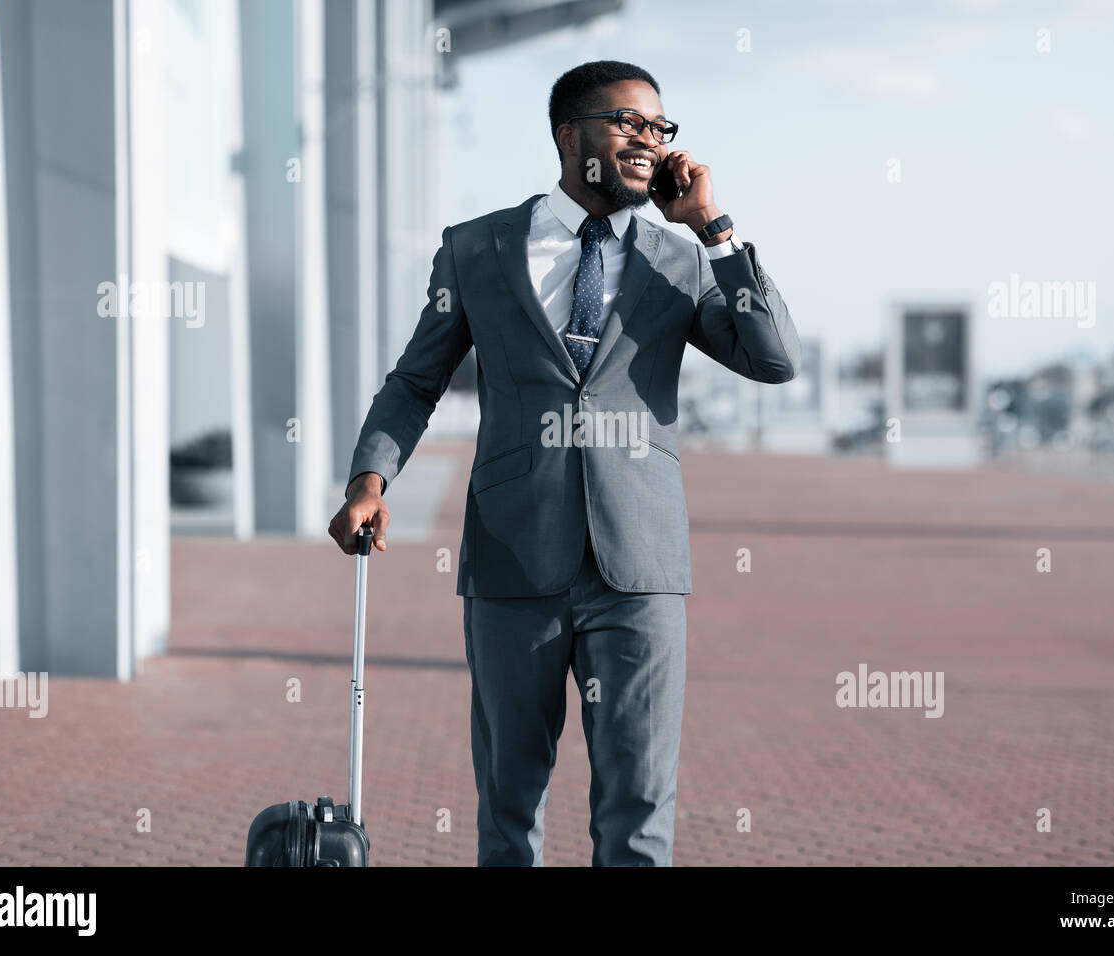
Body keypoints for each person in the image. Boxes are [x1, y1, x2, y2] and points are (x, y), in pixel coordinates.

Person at [328, 60, 800, 866]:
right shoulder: (477, 248)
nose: (649, 142)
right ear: (568, 134)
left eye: (660, 129)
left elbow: (774, 360)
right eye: (629, 124)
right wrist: (369, 481)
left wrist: (714, 228)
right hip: (514, 560)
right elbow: (415, 381)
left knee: (638, 807)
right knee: (509, 804)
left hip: (641, 567)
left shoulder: (677, 259)